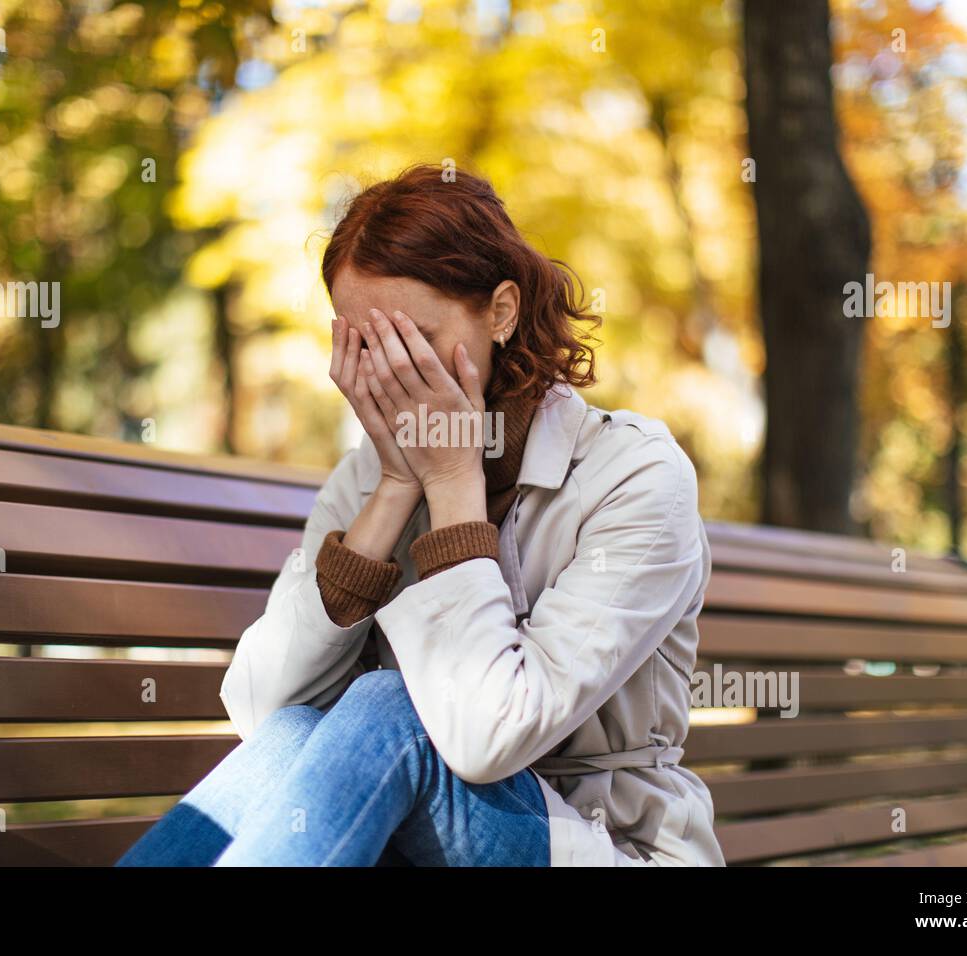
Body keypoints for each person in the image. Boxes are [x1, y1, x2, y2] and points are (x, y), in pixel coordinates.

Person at [116, 163, 726, 867]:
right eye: (367, 349)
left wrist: (453, 486)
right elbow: (264, 717)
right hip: (405, 838)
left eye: (417, 342)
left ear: (502, 311)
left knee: (387, 705)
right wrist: (398, 486)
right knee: (297, 732)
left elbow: (484, 738)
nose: (393, 377)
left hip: (604, 844)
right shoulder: (366, 476)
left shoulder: (635, 475)